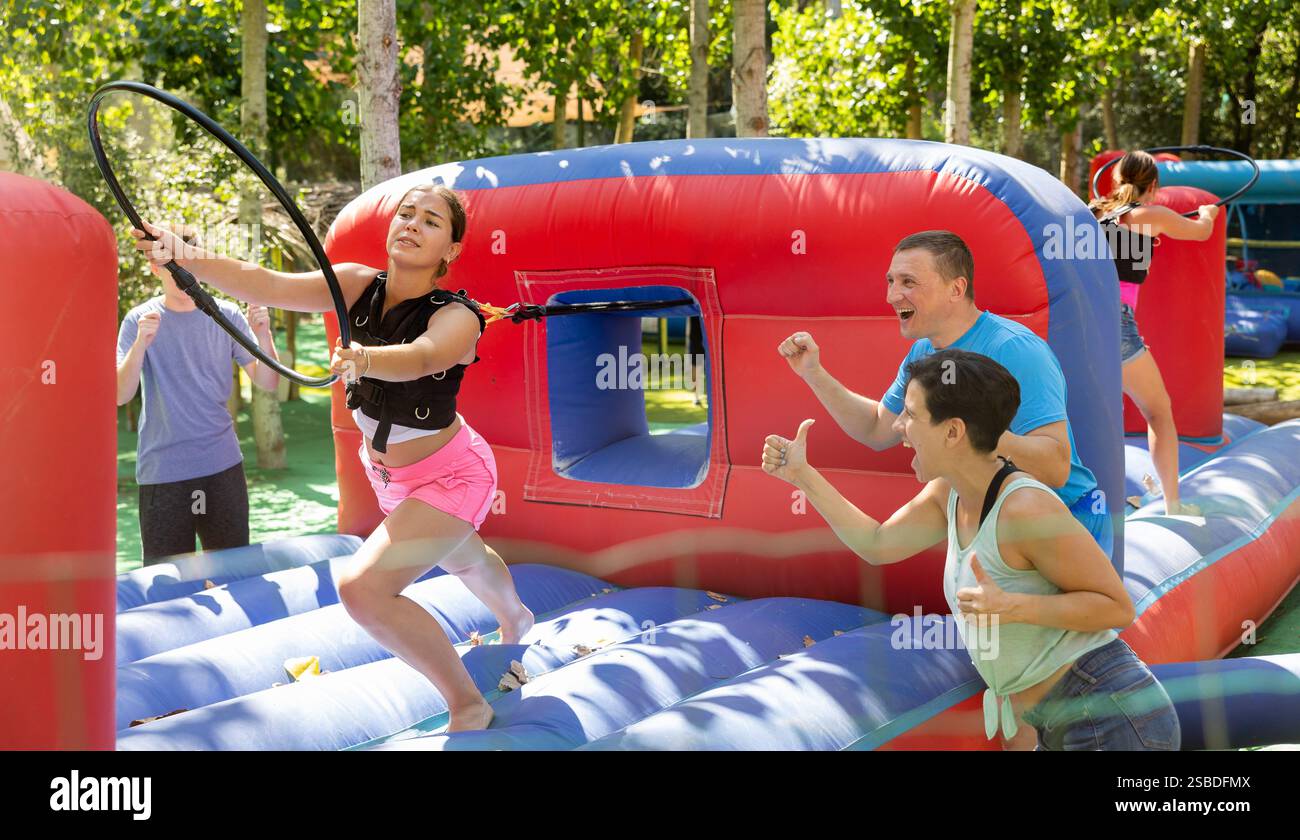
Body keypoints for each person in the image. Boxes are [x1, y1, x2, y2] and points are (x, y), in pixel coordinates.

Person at [131, 182, 533, 731]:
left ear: (451, 250)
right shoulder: (354, 283)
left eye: (431, 221)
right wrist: (184, 253)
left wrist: (366, 357)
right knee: (464, 558)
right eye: (405, 213)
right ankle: (515, 613)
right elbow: (266, 283)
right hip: (392, 478)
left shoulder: (458, 314)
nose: (412, 224)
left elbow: (423, 357)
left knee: (363, 588)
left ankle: (469, 702)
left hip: (454, 474)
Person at [761, 349, 1178, 750]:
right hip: (1064, 719)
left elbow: (1115, 607)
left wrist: (1013, 606)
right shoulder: (950, 494)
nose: (897, 426)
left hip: (1109, 714)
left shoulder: (1024, 509)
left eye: (910, 414)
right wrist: (803, 477)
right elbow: (878, 544)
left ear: (953, 431)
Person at [778, 230, 1112, 556]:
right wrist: (814, 374)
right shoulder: (924, 352)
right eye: (890, 281)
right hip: (990, 511)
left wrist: (966, 432)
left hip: (1065, 522)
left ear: (956, 289)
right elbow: (877, 429)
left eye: (908, 282)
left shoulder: (1015, 350)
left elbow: (1055, 469)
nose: (892, 295)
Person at [117, 229, 281, 562]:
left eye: (188, 261)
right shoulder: (138, 320)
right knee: (167, 586)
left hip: (221, 468)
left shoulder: (226, 315)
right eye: (171, 264)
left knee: (233, 575)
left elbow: (268, 381)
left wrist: (264, 336)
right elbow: (120, 395)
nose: (182, 271)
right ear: (155, 267)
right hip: (164, 473)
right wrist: (139, 347)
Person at [1091, 150, 1220, 515]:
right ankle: (1173, 504)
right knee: (1159, 412)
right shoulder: (1150, 215)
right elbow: (1200, 233)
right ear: (1154, 186)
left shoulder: (1093, 211)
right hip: (1115, 324)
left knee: (1096, 413)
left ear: (1115, 180)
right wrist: (1208, 214)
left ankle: (1100, 499)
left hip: (1081, 324)